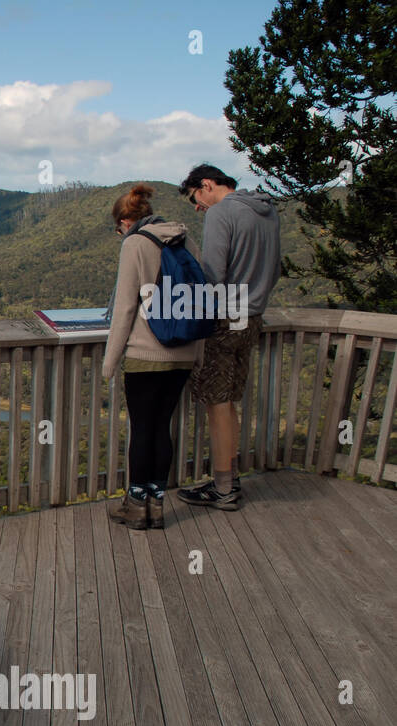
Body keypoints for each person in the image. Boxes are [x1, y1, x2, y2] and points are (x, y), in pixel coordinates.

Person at [175, 163, 281, 509]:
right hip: (252, 317)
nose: (197, 207)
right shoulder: (267, 212)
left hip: (224, 318)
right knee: (229, 402)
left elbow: (213, 274)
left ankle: (224, 490)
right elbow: (274, 266)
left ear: (207, 185)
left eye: (195, 198)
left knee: (217, 404)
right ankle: (227, 480)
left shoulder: (221, 213)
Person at [102, 183, 202, 530]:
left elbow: (127, 306)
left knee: (142, 429)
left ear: (126, 222)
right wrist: (198, 353)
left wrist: (110, 361)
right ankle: (156, 507)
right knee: (163, 427)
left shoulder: (135, 244)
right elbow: (201, 298)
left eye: (118, 229)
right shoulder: (184, 239)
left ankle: (135, 507)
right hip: (183, 352)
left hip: (146, 352)